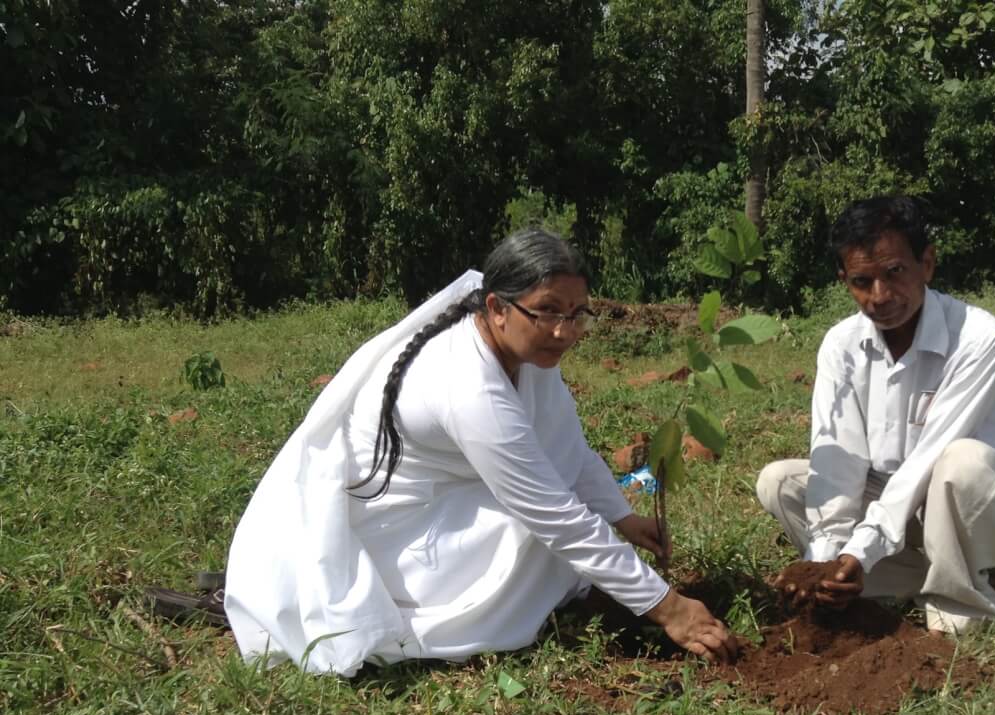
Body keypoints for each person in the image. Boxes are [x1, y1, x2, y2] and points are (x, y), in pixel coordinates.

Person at [224, 229, 737, 676]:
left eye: (578, 315)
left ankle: (561, 592)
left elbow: (567, 445)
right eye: (549, 313)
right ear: (496, 308)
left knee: (563, 515)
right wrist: (668, 609)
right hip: (382, 532)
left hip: (442, 499)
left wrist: (624, 518)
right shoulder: (468, 387)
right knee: (536, 534)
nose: (565, 331)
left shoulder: (528, 351)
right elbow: (553, 514)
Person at [756, 196, 995, 635]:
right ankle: (887, 579)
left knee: (959, 462)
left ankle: (959, 600)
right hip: (892, 504)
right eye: (862, 281)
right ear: (844, 280)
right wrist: (828, 561)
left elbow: (931, 456)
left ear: (926, 264)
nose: (880, 296)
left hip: (977, 502)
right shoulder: (841, 344)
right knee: (779, 481)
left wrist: (863, 548)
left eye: (894, 273)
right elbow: (839, 461)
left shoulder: (979, 336)